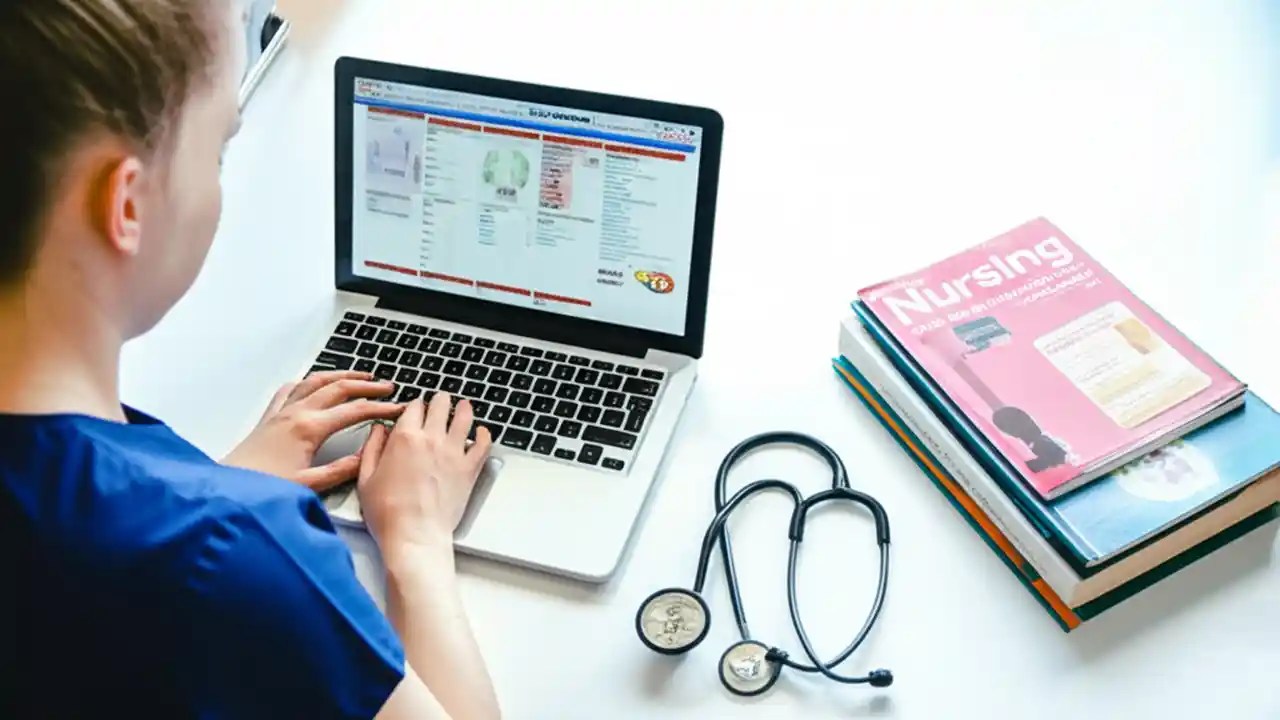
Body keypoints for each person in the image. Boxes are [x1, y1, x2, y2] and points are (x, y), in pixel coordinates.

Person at [0, 2, 498, 718]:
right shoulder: (240, 555)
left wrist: (207, 487)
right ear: (127, 205)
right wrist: (416, 541)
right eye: (218, 150)